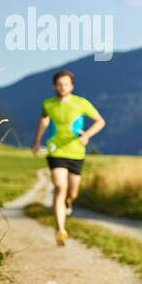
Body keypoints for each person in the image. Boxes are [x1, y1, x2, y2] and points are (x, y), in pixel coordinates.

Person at [30, 70, 105, 246]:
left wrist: (87, 135)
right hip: (56, 150)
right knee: (59, 187)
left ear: (71, 86)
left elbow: (100, 121)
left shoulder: (81, 103)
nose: (62, 87)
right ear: (54, 86)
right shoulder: (48, 104)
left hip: (76, 152)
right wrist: (36, 142)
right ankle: (60, 229)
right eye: (59, 84)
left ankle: (68, 203)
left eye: (66, 84)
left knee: (71, 192)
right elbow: (43, 122)